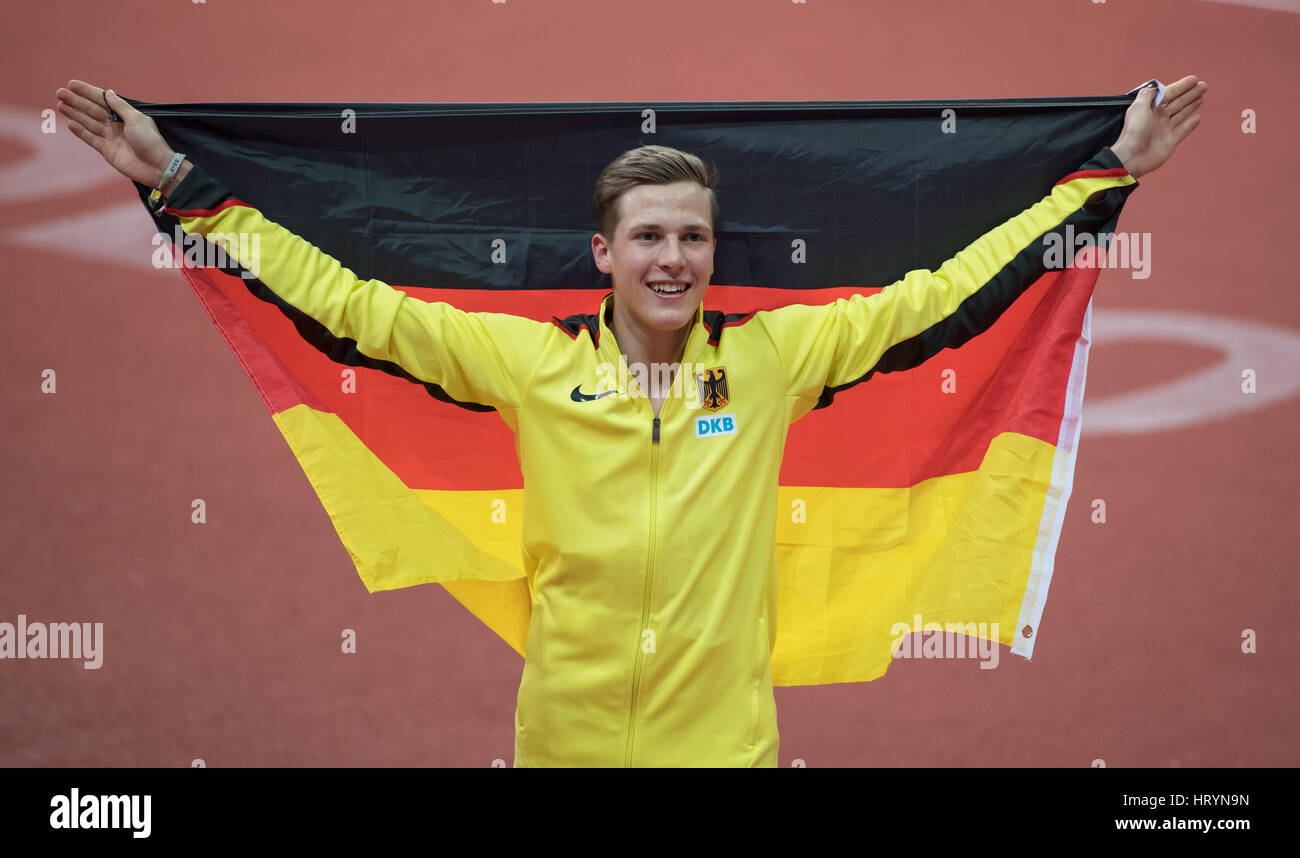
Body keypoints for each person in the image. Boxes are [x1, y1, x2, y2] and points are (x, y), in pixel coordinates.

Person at [55, 77, 1206, 767]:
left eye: (692, 238)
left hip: (725, 754)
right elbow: (350, 307)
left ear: (714, 254)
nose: (673, 258)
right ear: (604, 254)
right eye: (649, 238)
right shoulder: (527, 362)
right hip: (561, 749)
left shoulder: (771, 362)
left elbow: (943, 296)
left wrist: (1103, 176)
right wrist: (180, 185)